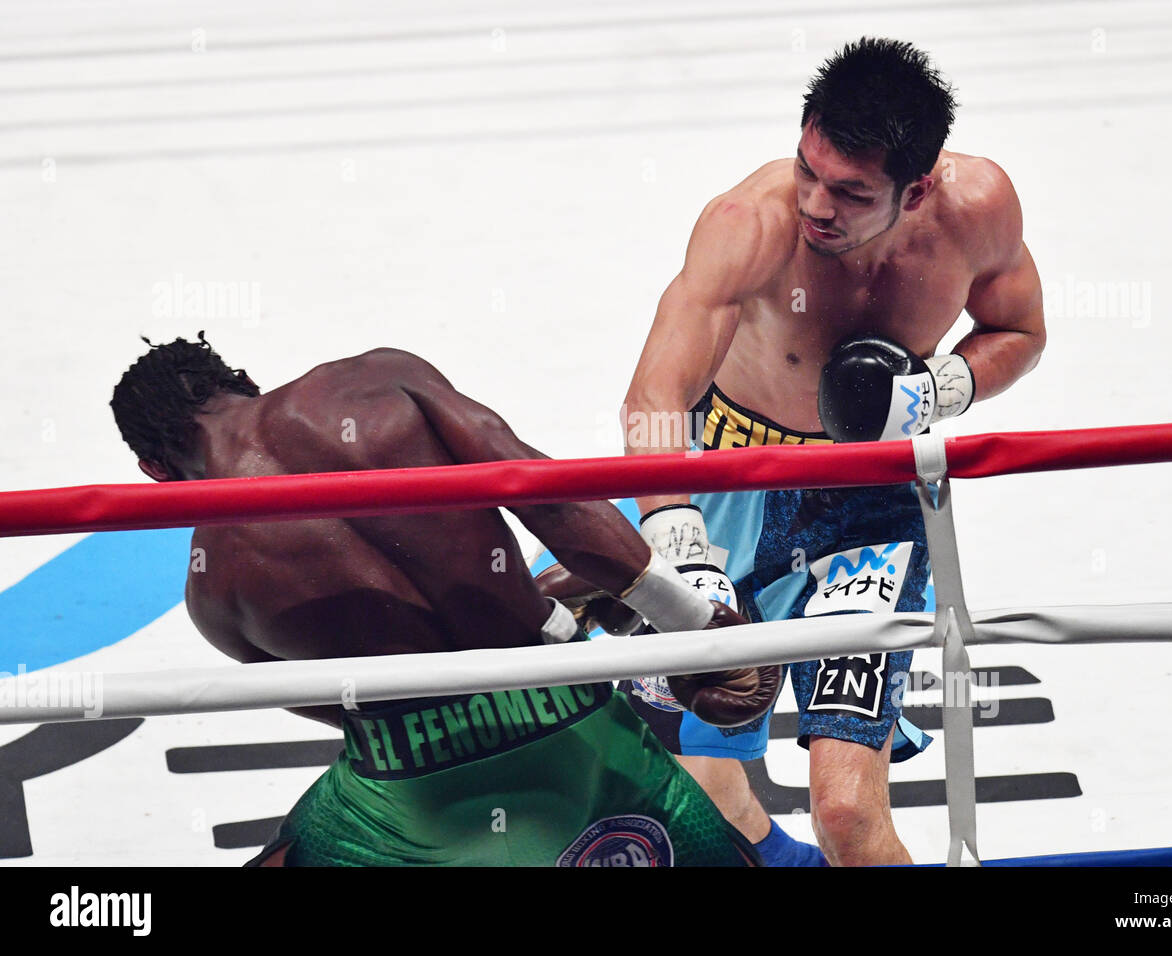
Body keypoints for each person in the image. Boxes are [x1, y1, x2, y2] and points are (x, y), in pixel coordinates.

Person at [109, 334, 779, 867]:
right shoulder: (372, 382)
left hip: (418, 798)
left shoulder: (213, 593)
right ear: (242, 382)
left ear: (156, 472)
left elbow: (360, 709)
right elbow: (542, 491)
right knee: (713, 849)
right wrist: (692, 624)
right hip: (573, 725)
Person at [616, 37, 1046, 866]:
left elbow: (1020, 332)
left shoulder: (980, 208)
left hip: (865, 508)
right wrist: (682, 546)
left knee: (846, 814)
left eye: (851, 192)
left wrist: (937, 390)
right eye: (807, 169)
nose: (817, 203)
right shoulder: (748, 226)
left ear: (917, 189)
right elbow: (653, 402)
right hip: (724, 486)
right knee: (694, 768)